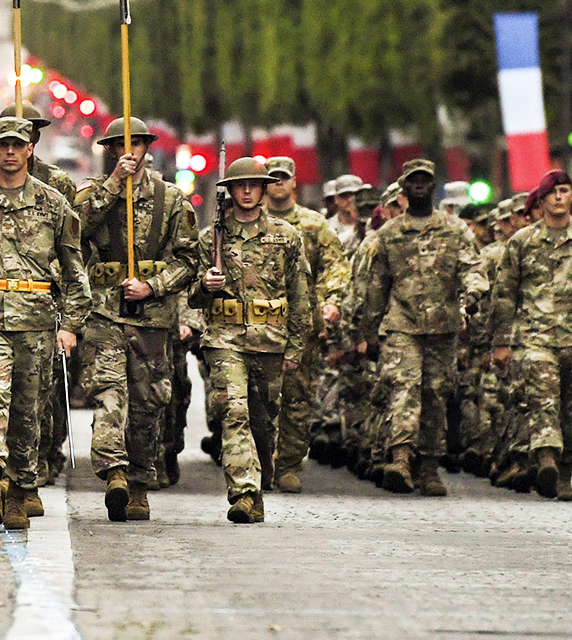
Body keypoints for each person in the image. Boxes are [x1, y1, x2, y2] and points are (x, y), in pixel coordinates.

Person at [0, 116, 90, 530]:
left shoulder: (53, 204)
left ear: (29, 150)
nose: (9, 151)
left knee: (28, 412)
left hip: (37, 320)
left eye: (17, 144)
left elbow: (75, 270)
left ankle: (21, 490)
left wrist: (71, 324)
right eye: (2, 144)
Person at [73, 115, 197, 522]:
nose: (129, 151)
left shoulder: (172, 199)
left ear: (146, 148)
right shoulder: (94, 192)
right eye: (120, 145)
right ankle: (115, 473)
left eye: (137, 144)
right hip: (104, 311)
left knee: (147, 405)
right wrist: (113, 185)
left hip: (151, 316)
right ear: (109, 150)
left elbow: (187, 260)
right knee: (109, 393)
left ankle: (141, 482)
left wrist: (154, 285)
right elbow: (76, 230)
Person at [489, 169, 572, 501]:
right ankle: (545, 458)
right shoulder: (522, 242)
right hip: (536, 338)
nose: (559, 197)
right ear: (542, 200)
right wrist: (501, 342)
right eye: (552, 192)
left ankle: (565, 475)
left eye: (564, 190)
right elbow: (505, 294)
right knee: (543, 399)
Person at [358, 158, 486, 496]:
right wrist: (368, 334)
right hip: (402, 326)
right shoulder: (389, 234)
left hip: (443, 327)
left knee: (434, 396)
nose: (419, 185)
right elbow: (376, 287)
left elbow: (473, 267)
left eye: (425, 180)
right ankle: (400, 459)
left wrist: (472, 294)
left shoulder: (455, 229)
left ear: (433, 186)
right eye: (412, 180)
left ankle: (429, 466)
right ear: (404, 188)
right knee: (403, 389)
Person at [195, 157, 313, 524]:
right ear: (230, 190)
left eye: (253, 185)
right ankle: (243, 491)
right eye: (239, 185)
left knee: (264, 423)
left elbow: (300, 294)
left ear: (263, 190)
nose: (246, 191)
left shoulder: (286, 236)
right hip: (225, 339)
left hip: (270, 342)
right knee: (234, 412)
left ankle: (259, 486)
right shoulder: (210, 237)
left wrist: (296, 346)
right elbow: (191, 297)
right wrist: (205, 286)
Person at [263, 155, 349, 494]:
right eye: (272, 178)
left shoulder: (313, 225)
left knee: (298, 397)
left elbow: (336, 266)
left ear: (294, 181)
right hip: (261, 323)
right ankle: (262, 460)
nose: (278, 184)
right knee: (262, 397)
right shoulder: (252, 222)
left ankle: (288, 464)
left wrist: (331, 301)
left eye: (283, 177)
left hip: (302, 324)